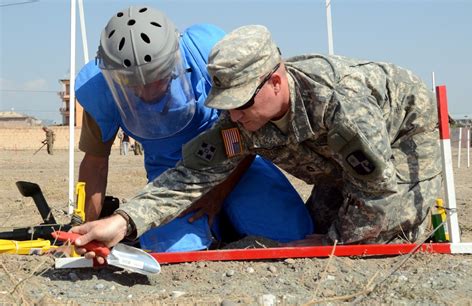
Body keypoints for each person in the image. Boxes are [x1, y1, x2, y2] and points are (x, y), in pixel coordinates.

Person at [72, 24, 443, 258]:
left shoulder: (343, 105)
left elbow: (377, 186)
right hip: (339, 156)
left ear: (276, 82)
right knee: (305, 231)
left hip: (401, 135)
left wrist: (336, 242)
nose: (232, 117)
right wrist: (122, 222)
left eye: (241, 103)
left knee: (380, 236)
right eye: (226, 106)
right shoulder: (244, 114)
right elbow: (190, 175)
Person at [74, 9, 312, 252]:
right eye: (133, 84)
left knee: (291, 236)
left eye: (156, 78)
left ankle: (227, 222)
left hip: (233, 159)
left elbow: (248, 129)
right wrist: (85, 232)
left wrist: (218, 194)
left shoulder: (207, 52)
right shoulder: (98, 90)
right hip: (171, 176)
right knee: (172, 251)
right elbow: (95, 164)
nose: (146, 93)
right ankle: (214, 230)